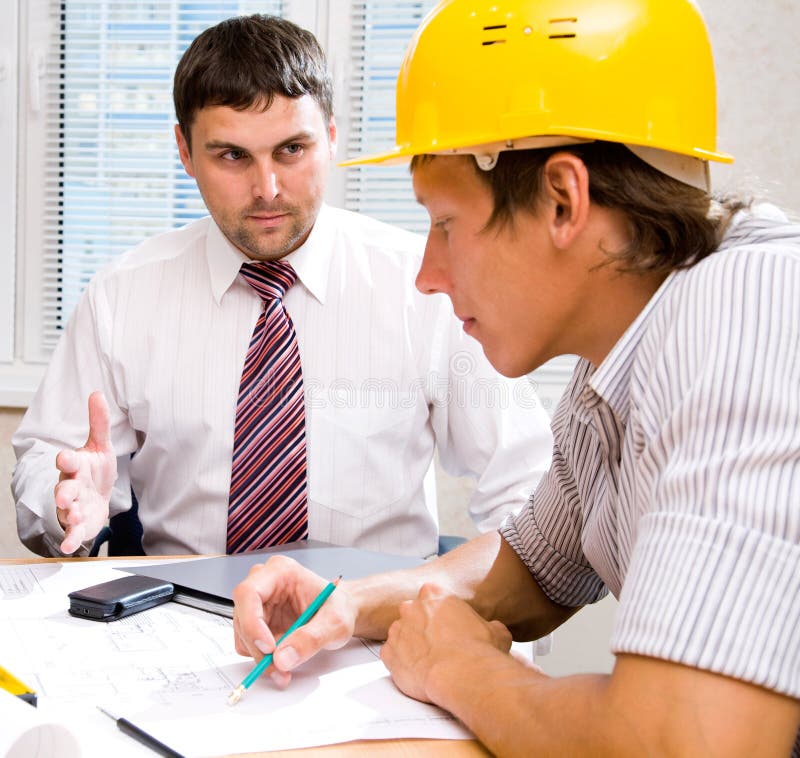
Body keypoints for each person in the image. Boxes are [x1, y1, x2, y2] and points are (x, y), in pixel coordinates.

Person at [230, 0, 800, 754]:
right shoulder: (619, 357)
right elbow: (535, 568)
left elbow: (685, 744)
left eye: (444, 225)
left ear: (563, 199)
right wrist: (349, 604)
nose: (427, 276)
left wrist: (461, 669)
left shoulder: (752, 310)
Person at [11, 14, 552, 558]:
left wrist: (485, 616)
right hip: (179, 619)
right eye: (232, 155)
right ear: (184, 152)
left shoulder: (424, 284)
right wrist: (65, 501)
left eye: (292, 150)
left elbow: (527, 482)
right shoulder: (121, 297)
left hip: (372, 621)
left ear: (332, 138)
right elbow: (49, 464)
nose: (266, 189)